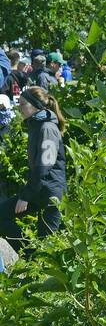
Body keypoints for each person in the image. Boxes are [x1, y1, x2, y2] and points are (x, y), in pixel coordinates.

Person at [0, 87, 67, 247]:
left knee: (48, 245)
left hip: (50, 194)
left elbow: (44, 165)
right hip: (39, 190)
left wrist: (25, 196)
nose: (19, 108)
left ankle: (34, 259)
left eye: (23, 104)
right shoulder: (37, 125)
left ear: (35, 105)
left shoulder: (47, 128)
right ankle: (30, 255)